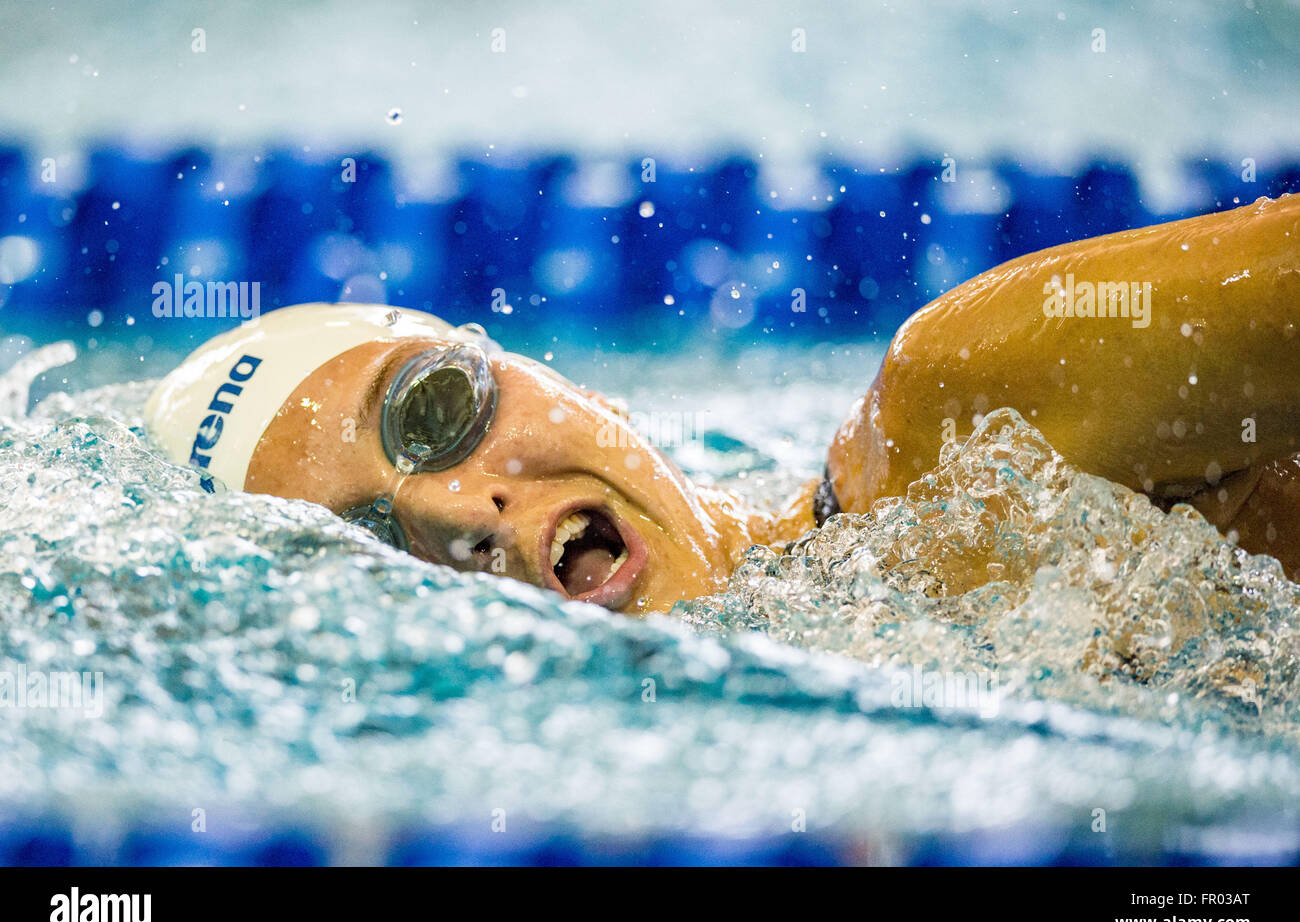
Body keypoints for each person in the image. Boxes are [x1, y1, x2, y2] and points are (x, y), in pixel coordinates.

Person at [146, 193, 1300, 614]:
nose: (454, 508)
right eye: (359, 541)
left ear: (579, 386)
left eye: (430, 411)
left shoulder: (973, 405)